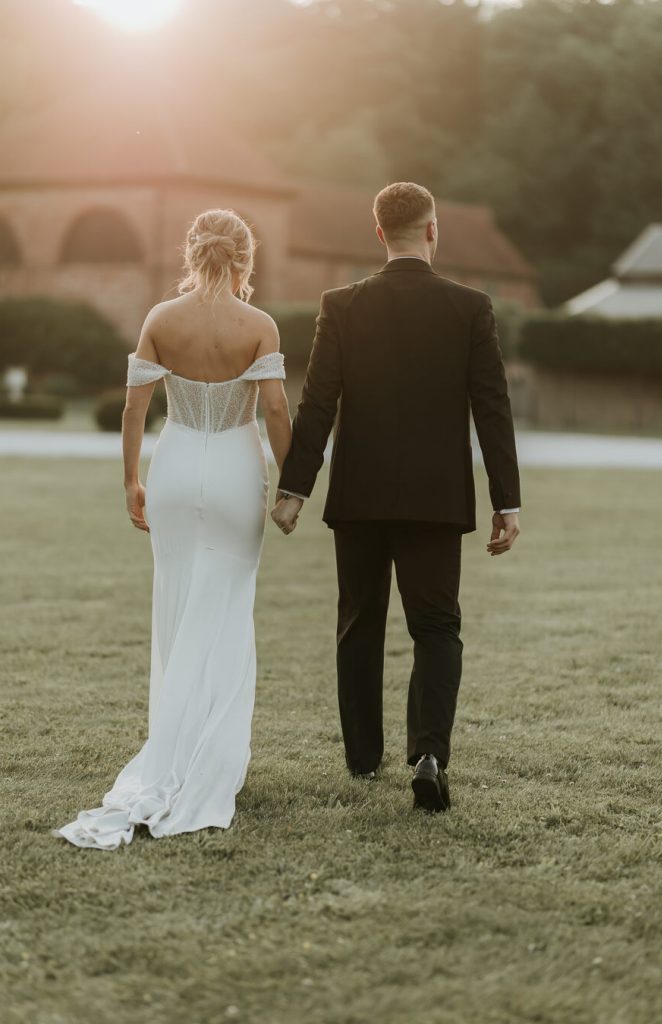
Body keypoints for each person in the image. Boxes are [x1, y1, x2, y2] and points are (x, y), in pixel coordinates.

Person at [272, 181, 521, 812]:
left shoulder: (341, 304)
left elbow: (318, 400)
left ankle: (362, 758)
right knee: (437, 628)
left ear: (379, 234)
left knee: (359, 623)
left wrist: (294, 489)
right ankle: (429, 753)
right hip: (436, 500)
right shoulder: (471, 307)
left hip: (359, 494)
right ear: (433, 231)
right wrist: (506, 500)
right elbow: (492, 408)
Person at [53, 209, 291, 849]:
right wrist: (293, 484)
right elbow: (272, 407)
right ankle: (207, 757)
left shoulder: (161, 319)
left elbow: (136, 406)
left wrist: (131, 480)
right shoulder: (259, 326)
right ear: (246, 257)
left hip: (176, 467)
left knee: (179, 604)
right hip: (237, 471)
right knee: (227, 608)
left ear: (192, 253)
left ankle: (177, 748)